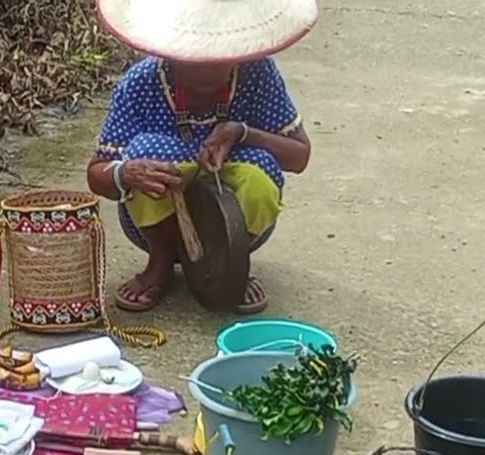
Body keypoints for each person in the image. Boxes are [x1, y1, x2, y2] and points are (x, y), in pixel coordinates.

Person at [86, 0, 318, 314]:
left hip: (235, 222)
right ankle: (161, 262)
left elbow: (299, 156)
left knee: (261, 171)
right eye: (196, 57)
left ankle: (233, 265)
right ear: (171, 50)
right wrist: (126, 173)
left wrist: (242, 132)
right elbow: (98, 172)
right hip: (155, 220)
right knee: (142, 154)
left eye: (221, 55)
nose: (209, 67)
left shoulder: (258, 73)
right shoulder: (141, 83)